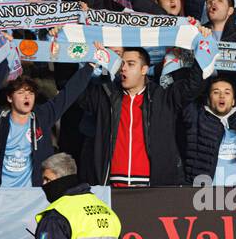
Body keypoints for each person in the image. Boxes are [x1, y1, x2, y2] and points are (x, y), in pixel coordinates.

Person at [83, 48, 201, 187]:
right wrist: (59, 45)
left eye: (130, 64)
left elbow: (194, 84)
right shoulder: (105, 95)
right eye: (121, 64)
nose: (123, 68)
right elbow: (69, 86)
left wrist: (203, 45)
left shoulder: (163, 98)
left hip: (152, 189)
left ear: (144, 69)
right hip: (110, 187)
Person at [0, 61, 98, 188]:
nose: (27, 97)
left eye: (30, 93)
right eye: (21, 93)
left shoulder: (42, 117)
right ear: (9, 98)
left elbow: (68, 94)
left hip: (32, 196)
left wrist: (89, 67)